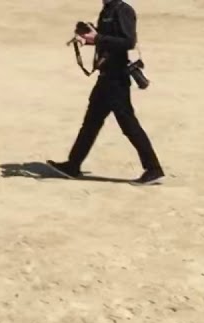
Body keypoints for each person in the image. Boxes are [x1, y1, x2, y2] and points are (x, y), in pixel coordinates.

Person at [47, 0, 165, 185]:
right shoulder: (108, 10)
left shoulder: (123, 10)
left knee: (128, 124)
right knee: (91, 123)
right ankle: (73, 165)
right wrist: (88, 40)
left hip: (116, 79)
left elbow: (128, 41)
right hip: (106, 77)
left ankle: (153, 168)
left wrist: (98, 38)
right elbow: (109, 40)